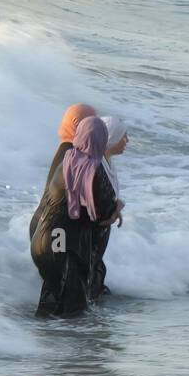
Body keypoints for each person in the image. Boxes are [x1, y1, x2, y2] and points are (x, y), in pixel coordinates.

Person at [30, 115, 118, 316]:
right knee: (74, 315)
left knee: (50, 309)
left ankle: (34, 343)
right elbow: (105, 215)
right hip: (64, 248)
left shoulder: (67, 160)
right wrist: (117, 207)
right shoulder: (94, 168)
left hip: (42, 242)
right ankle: (58, 347)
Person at [30, 103, 97, 242]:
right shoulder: (74, 156)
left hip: (41, 225)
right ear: (77, 124)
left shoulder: (65, 149)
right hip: (54, 234)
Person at [90, 116, 128, 298]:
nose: (127, 141)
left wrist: (116, 206)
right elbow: (96, 211)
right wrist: (115, 209)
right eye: (123, 136)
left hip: (97, 243)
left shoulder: (106, 163)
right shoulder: (95, 165)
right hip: (88, 239)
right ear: (111, 137)